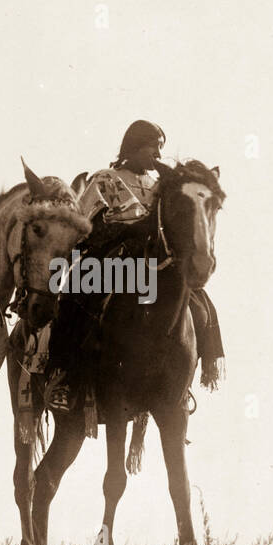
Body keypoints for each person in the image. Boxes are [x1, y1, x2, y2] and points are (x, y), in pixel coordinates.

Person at [40, 120, 223, 412]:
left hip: (153, 259)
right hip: (112, 257)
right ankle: (65, 376)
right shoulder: (105, 178)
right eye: (154, 146)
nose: (158, 155)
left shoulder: (163, 185)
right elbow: (84, 221)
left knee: (199, 302)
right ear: (135, 145)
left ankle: (181, 378)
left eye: (161, 148)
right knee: (77, 299)